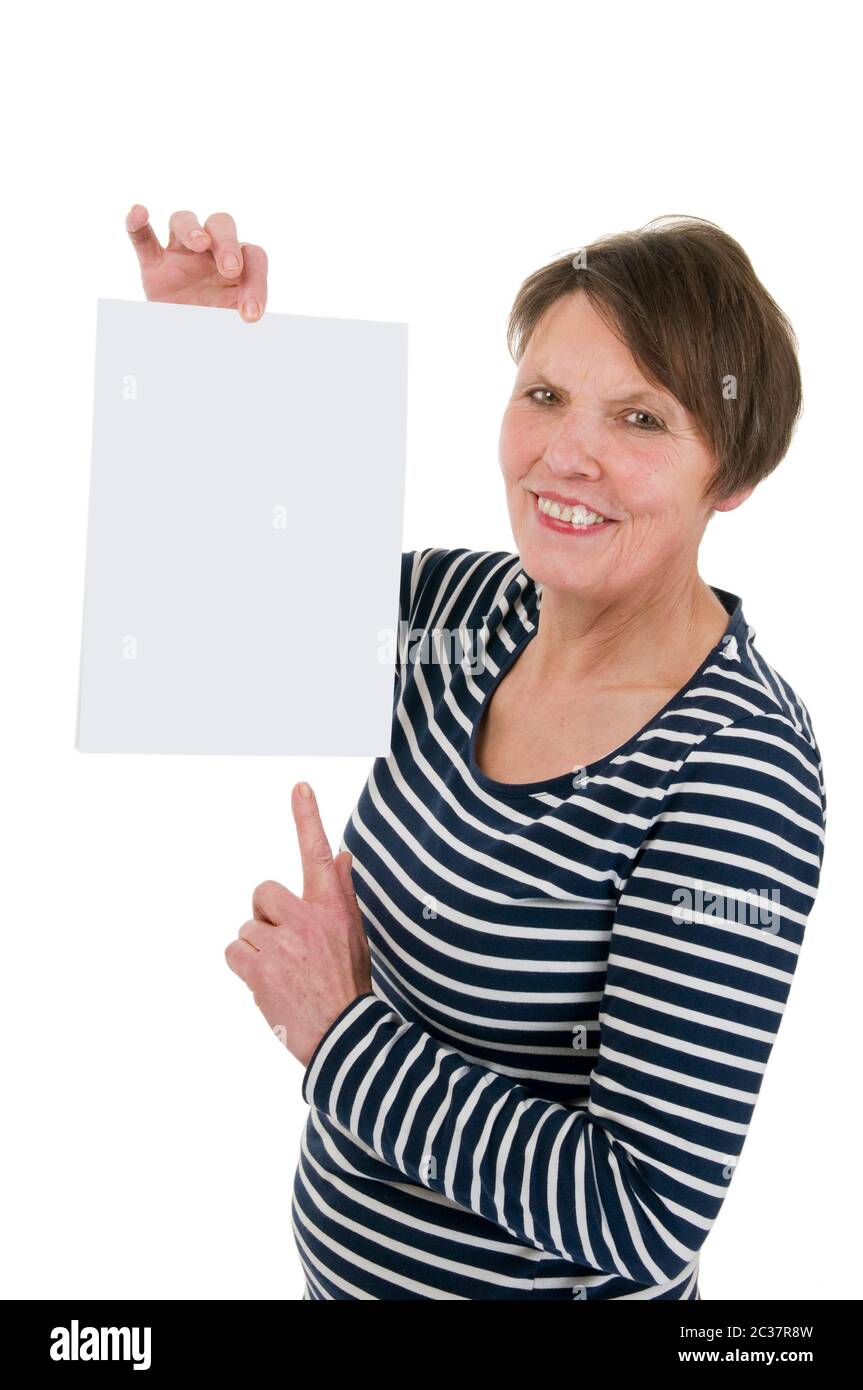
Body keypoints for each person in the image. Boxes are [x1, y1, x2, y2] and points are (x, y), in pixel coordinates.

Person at [129, 207, 826, 1300]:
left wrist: (339, 1033)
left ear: (729, 474)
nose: (565, 453)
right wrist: (201, 373)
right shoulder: (460, 610)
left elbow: (643, 1212)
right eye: (543, 394)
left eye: (639, 418)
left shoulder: (735, 773)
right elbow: (199, 634)